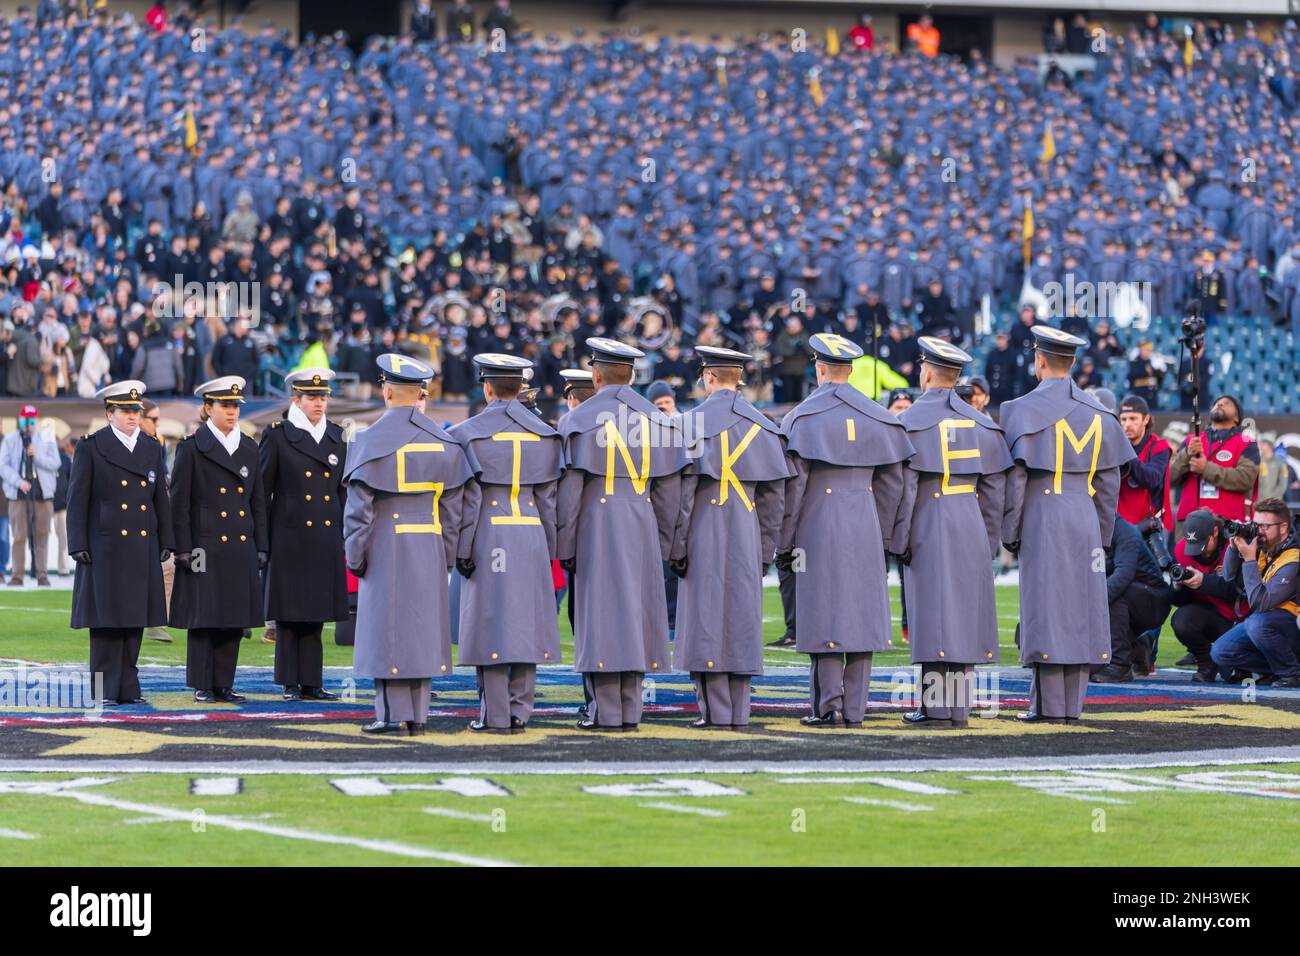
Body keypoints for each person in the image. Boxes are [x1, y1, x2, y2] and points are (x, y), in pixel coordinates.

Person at [777, 332, 915, 727]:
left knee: (822, 613)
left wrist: (786, 541)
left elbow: (796, 483)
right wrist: (883, 529)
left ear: (819, 368)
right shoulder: (879, 415)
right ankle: (854, 708)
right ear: (851, 370)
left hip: (819, 521)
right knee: (861, 615)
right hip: (865, 520)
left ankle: (826, 707)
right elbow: (894, 483)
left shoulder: (802, 417)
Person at [1001, 327, 1135, 722]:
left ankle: (1045, 705)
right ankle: (1071, 706)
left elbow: (1018, 477)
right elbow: (1109, 485)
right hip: (1085, 516)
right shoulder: (1099, 414)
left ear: (1040, 361)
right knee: (1081, 609)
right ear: (1073, 363)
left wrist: (1011, 532)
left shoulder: (1021, 409)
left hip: (1044, 514)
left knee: (1046, 608)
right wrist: (1101, 535)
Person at [556, 338, 689, 731]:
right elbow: (669, 493)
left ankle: (603, 709)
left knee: (599, 616)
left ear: (595, 375)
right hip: (642, 519)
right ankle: (630, 709)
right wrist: (664, 540)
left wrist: (566, 545)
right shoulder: (658, 419)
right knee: (638, 614)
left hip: (597, 522)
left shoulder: (577, 419)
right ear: (632, 375)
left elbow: (570, 492)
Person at [343, 354, 475, 734]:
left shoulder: (369, 440)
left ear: (386, 392)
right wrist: (446, 555)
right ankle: (417, 714)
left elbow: (359, 511)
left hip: (386, 541)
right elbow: (454, 511)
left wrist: (355, 555)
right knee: (422, 629)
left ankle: (389, 714)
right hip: (430, 541)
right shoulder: (445, 441)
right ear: (421, 393)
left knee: (387, 632)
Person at [671, 346, 790, 728]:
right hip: (747, 527)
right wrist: (765, 549)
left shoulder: (688, 424)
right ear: (738, 378)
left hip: (705, 525)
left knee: (704, 617)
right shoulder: (764, 426)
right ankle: (739, 711)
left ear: (708, 377)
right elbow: (775, 499)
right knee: (741, 617)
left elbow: (683, 494)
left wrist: (677, 544)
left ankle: (714, 711)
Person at [895, 338, 1012, 726]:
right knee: (963, 615)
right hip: (970, 520)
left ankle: (933, 707)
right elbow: (995, 490)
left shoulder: (908, 420)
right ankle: (958, 709)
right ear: (957, 376)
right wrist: (989, 538)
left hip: (929, 517)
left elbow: (906, 486)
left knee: (931, 614)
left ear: (926, 372)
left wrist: (899, 537)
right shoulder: (981, 423)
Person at [452, 353, 563, 733]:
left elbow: (468, 500)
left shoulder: (466, 433)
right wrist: (549, 548)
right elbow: (549, 503)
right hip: (530, 529)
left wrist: (462, 548)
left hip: (488, 530)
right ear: (521, 388)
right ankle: (521, 710)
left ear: (487, 388)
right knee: (526, 623)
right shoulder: (546, 434)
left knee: (489, 622)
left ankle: (494, 713)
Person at [67, 381, 173, 705]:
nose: (132, 416)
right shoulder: (91, 447)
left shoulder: (152, 447)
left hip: (141, 544)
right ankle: (103, 690)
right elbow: (77, 500)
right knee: (106, 624)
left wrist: (167, 539)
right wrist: (77, 543)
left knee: (134, 620)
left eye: (136, 411)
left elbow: (160, 500)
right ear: (109, 413)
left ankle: (128, 686)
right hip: (104, 547)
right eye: (126, 410)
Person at [169, 376, 268, 704]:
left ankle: (224, 682)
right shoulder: (192, 449)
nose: (232, 411)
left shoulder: (249, 448)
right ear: (207, 408)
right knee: (204, 616)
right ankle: (202, 683)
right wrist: (183, 550)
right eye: (225, 405)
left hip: (239, 544)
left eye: (236, 405)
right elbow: (179, 504)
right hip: (203, 546)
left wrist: (261, 546)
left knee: (233, 617)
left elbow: (257, 503)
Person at [259, 368, 349, 701]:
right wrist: (265, 538)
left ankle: (312, 681)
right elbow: (262, 491)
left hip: (324, 535)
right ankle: (289, 682)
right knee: (289, 614)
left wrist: (340, 530)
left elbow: (340, 491)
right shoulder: (278, 435)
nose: (319, 404)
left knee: (315, 614)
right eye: (312, 398)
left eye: (323, 397)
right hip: (289, 535)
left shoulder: (336, 436)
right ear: (296, 399)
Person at [1210, 498, 1300, 687]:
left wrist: (1250, 560)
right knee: (1221, 652)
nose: (1258, 531)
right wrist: (1234, 549)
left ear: (1283, 528)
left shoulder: (1294, 557)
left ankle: (1291, 673)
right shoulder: (1264, 546)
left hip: (1292, 624)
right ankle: (1279, 668)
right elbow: (1227, 576)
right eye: (1255, 524)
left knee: (1256, 624)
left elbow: (1262, 603)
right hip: (1268, 623)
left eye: (1264, 526)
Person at [1170, 508, 1246, 682]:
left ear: (1215, 531)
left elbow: (1240, 590)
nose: (1199, 552)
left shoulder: (1233, 545)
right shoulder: (1182, 549)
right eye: (1194, 546)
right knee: (1182, 620)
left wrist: (1204, 581)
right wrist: (1177, 586)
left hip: (1239, 618)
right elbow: (1181, 602)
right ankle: (1206, 664)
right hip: (1210, 615)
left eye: (1202, 545)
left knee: (1237, 677)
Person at [1093, 517, 1172, 682]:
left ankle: (1119, 665)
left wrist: (1092, 604)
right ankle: (1138, 648)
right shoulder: (1090, 528)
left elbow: (1124, 575)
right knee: (1089, 664)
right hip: (1132, 596)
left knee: (1115, 592)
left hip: (1152, 598)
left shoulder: (1123, 531)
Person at [1169, 395, 1259, 528]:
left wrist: (1206, 469)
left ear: (1237, 418)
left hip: (1229, 524)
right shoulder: (1191, 441)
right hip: (1190, 523)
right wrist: (1186, 454)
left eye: (1227, 403)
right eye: (1217, 403)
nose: (1219, 404)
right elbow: (1169, 478)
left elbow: (1245, 479)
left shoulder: (1247, 443)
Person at [0, 403, 60, 586]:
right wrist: (19, 482)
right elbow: (3, 466)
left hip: (43, 494)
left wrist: (37, 456)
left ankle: (42, 575)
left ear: (37, 420)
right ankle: (17, 575)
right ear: (20, 421)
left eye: (32, 420)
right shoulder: (10, 440)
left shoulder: (47, 438)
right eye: (25, 420)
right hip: (18, 495)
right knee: (19, 536)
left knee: (42, 535)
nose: (28, 425)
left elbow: (55, 463)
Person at [139, 400, 174, 643]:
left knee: (168, 567)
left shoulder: (155, 445)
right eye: (153, 419)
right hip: (130, 526)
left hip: (153, 520)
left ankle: (157, 621)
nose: (157, 424)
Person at [1117, 394, 1172, 531]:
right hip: (1121, 525)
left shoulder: (1159, 446)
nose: (1127, 424)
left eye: (1133, 418)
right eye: (1123, 419)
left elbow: (1152, 479)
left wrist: (1126, 451)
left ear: (1146, 419)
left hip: (1150, 527)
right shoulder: (1115, 447)